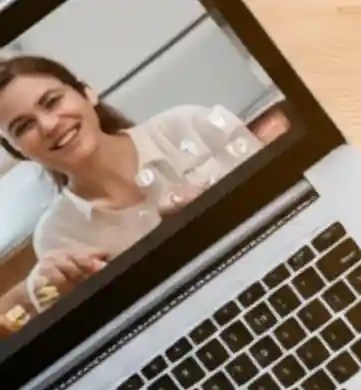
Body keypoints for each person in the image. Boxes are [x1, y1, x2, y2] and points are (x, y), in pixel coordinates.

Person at [0, 54, 277, 328]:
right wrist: (53, 300)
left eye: (52, 101)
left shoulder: (186, 125)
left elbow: (280, 187)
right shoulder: (56, 238)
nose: (48, 125)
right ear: (20, 152)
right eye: (24, 127)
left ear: (87, 93)